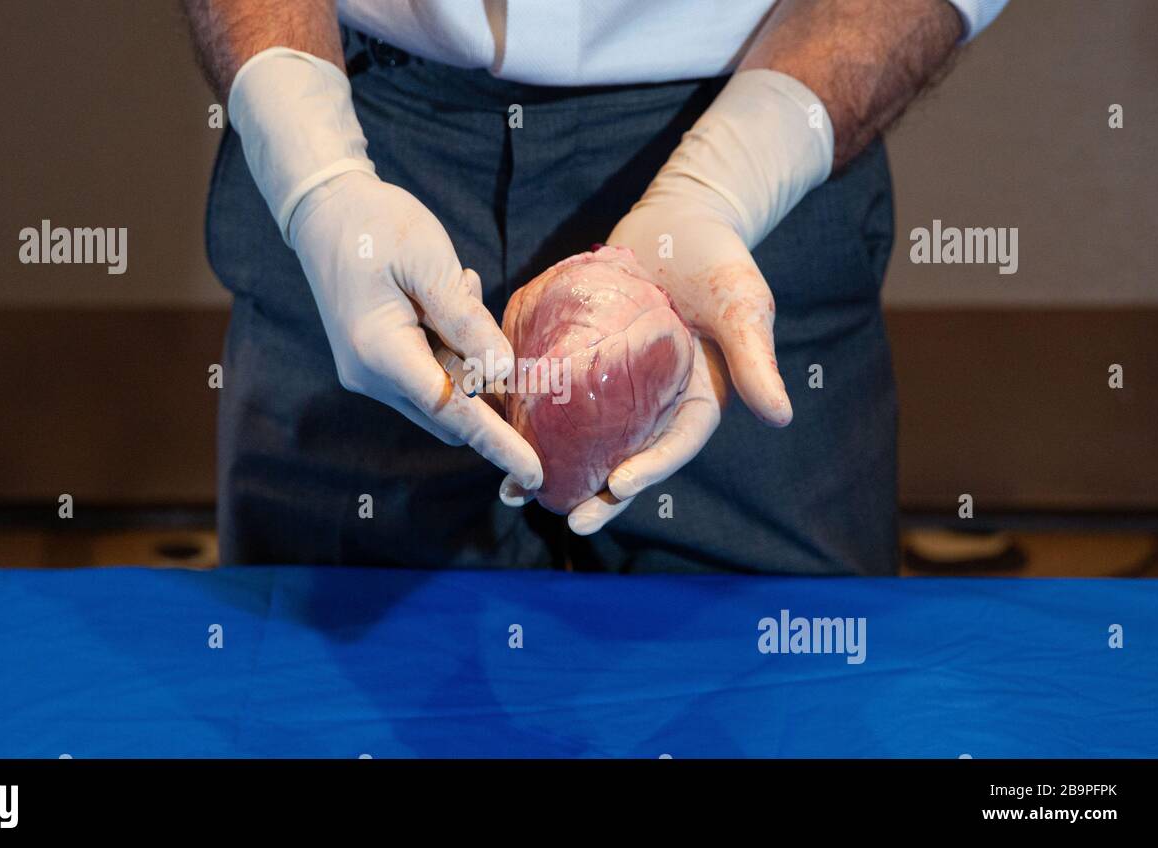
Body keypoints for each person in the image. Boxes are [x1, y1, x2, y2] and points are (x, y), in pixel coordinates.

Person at [183, 0, 1007, 574]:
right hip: (363, 117)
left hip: (763, 122)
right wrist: (318, 179)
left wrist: (721, 187)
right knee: (332, 686)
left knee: (775, 691)